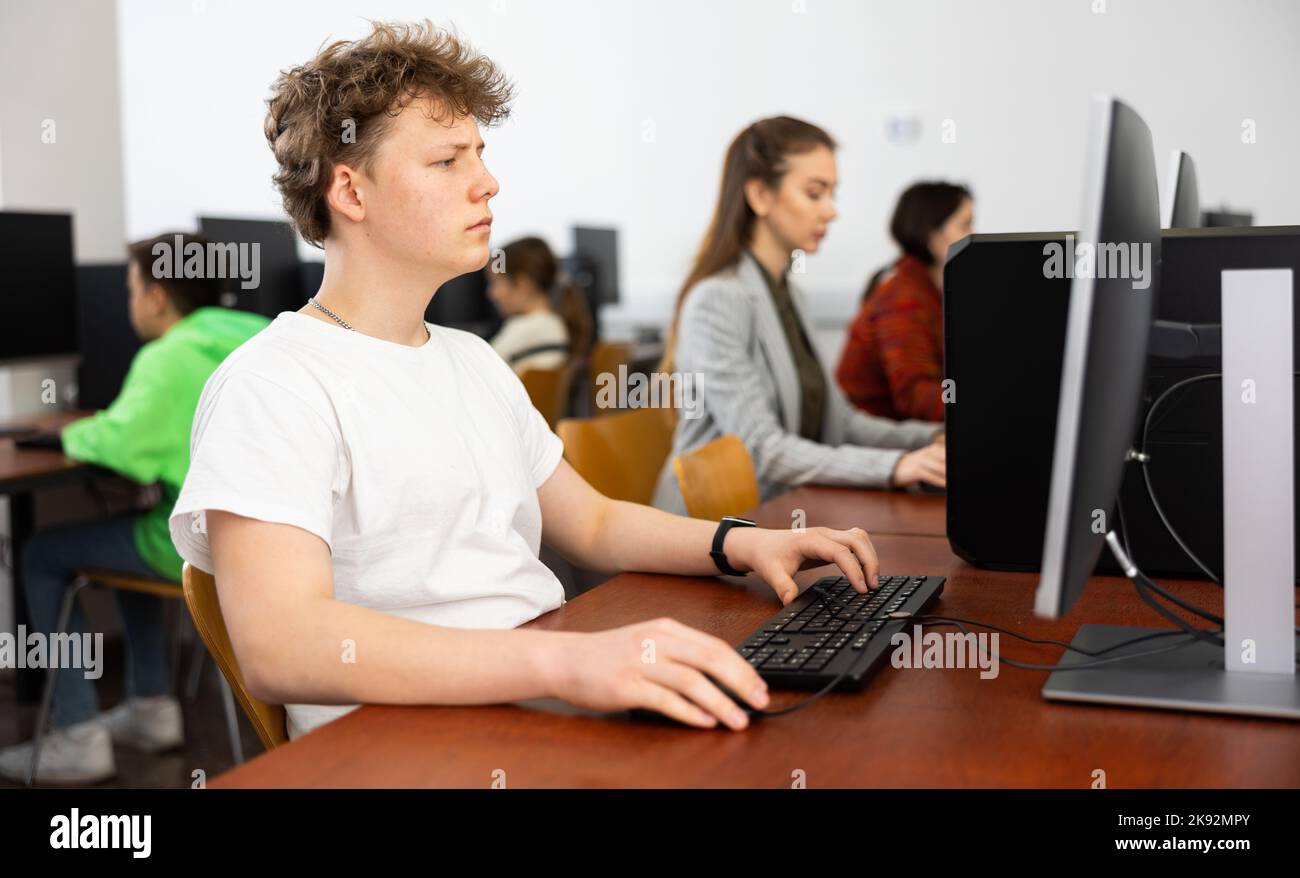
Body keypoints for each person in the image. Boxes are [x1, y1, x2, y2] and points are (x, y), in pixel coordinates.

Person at [166, 21, 890, 741]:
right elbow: (283, 648)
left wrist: (742, 544)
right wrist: (564, 664)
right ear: (350, 192)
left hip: (527, 699)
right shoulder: (274, 383)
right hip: (404, 743)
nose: (488, 182)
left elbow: (595, 523)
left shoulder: (470, 360)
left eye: (479, 154)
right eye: (449, 161)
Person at [0, 232, 269, 784]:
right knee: (125, 532)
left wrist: (65, 436)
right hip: (271, 545)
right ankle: (151, 707)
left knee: (41, 554)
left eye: (130, 290)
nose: (128, 304)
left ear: (155, 296)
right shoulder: (259, 331)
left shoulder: (167, 355)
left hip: (203, 550)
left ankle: (78, 736)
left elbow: (124, 443)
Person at [652, 117, 947, 516]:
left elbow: (842, 424)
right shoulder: (717, 300)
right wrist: (894, 467)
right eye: (814, 193)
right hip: (712, 526)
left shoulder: (792, 296)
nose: (831, 211)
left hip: (780, 513)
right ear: (759, 195)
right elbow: (763, 448)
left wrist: (933, 437)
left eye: (832, 193)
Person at [835, 182, 973, 421]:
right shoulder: (903, 298)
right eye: (965, 225)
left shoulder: (927, 288)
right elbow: (915, 395)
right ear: (933, 234)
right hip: (872, 439)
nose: (973, 236)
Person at [486, 235, 591, 373]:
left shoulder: (523, 329)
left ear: (523, 286)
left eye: (496, 283)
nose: (491, 293)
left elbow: (474, 374)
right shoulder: (555, 325)